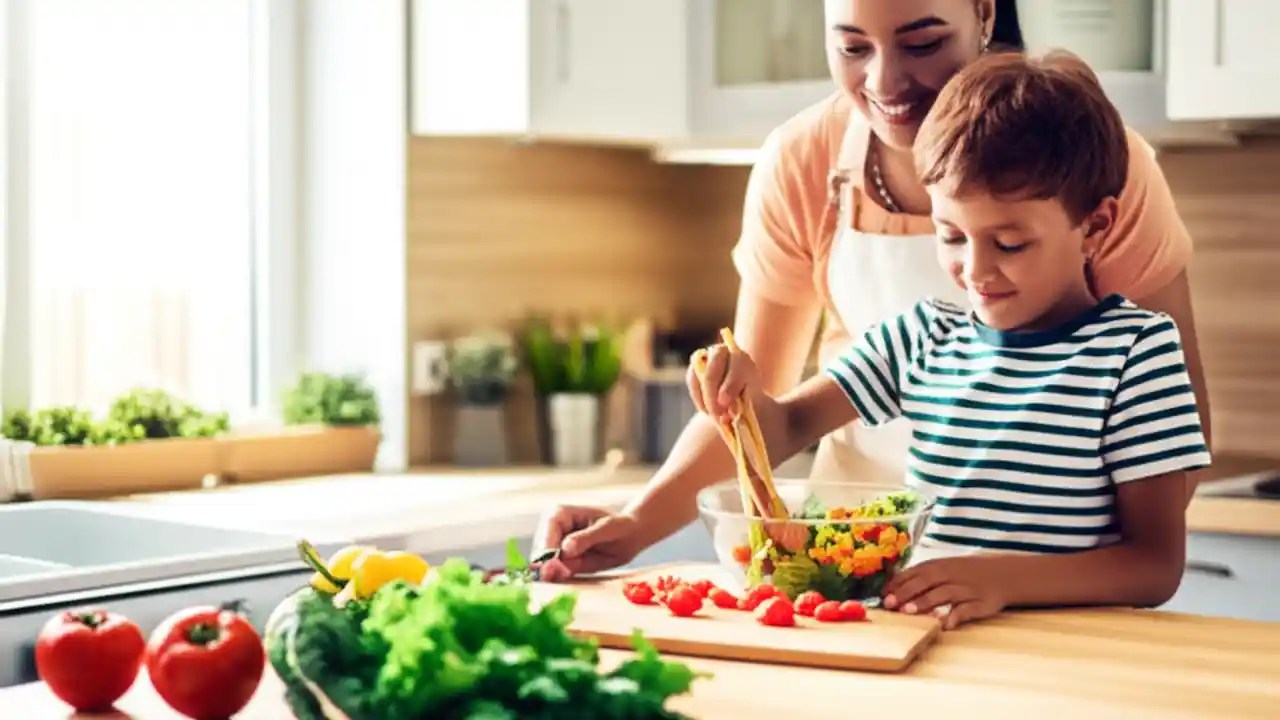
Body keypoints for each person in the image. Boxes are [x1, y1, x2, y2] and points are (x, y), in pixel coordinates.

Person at [536, 0, 1210, 583]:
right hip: (871, 558)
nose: (885, 80)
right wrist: (636, 521)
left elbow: (1163, 471)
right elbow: (770, 419)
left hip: (1047, 580)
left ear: (982, 13)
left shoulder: (1087, 160)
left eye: (922, 43)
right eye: (851, 45)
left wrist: (1022, 571)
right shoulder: (812, 172)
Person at [701, 49, 1209, 628]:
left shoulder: (1137, 354)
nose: (976, 270)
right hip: (933, 637)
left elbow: (1154, 566)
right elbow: (785, 427)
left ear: (1095, 225)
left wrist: (998, 578)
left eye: (1010, 244)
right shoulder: (920, 337)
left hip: (1076, 649)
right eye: (950, 237)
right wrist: (739, 394)